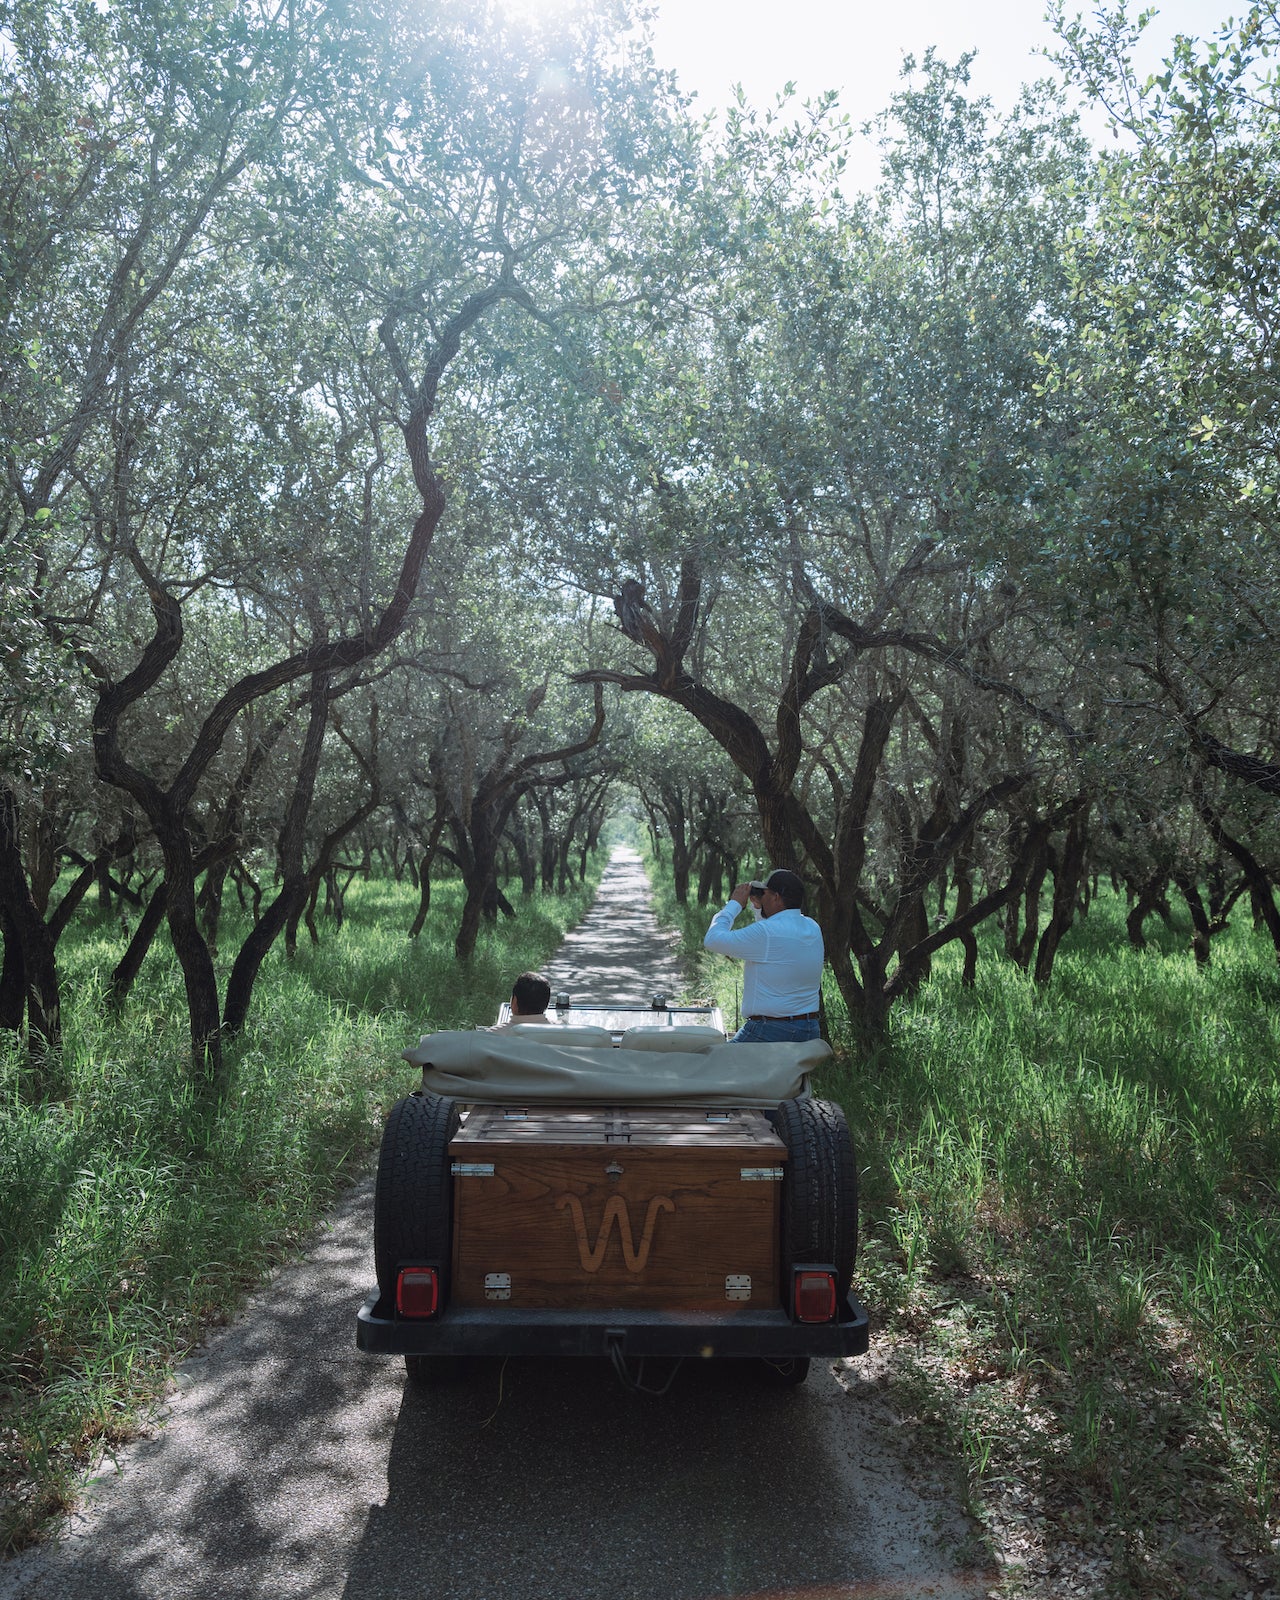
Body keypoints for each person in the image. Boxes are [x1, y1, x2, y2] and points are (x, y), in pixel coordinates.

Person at [703, 869, 824, 1042]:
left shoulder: (767, 933)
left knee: (717, 1066)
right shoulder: (812, 927)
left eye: (765, 893)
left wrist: (734, 904)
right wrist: (759, 908)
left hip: (770, 1031)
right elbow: (773, 937)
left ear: (775, 897)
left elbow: (712, 940)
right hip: (808, 1029)